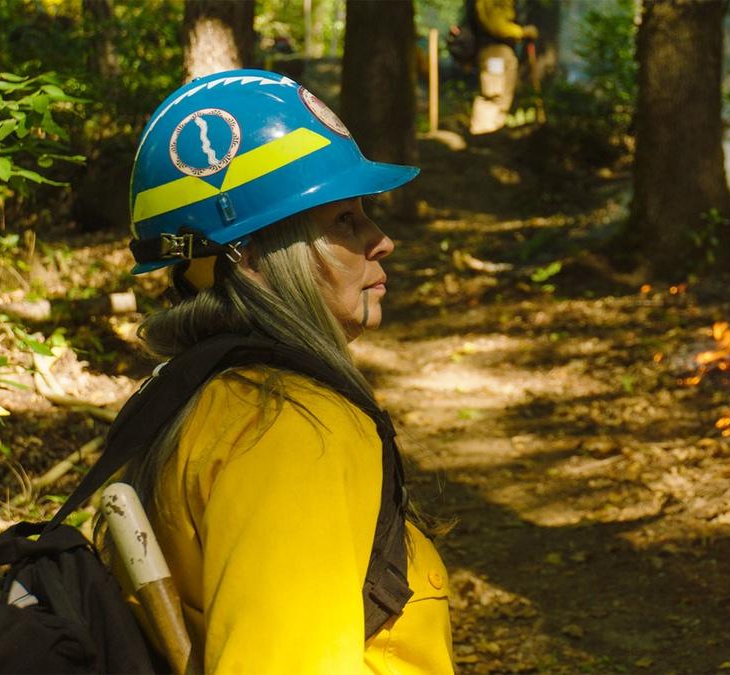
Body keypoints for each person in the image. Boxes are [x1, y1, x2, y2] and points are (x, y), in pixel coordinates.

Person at [118, 69, 453, 673]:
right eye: (343, 222)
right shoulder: (292, 431)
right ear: (253, 255)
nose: (382, 242)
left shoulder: (191, 393)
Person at [468, 0, 538, 135]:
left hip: (503, 52)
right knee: (493, 92)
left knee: (502, 97)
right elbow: (496, 26)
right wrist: (522, 32)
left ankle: (493, 133)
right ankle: (482, 135)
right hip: (494, 53)